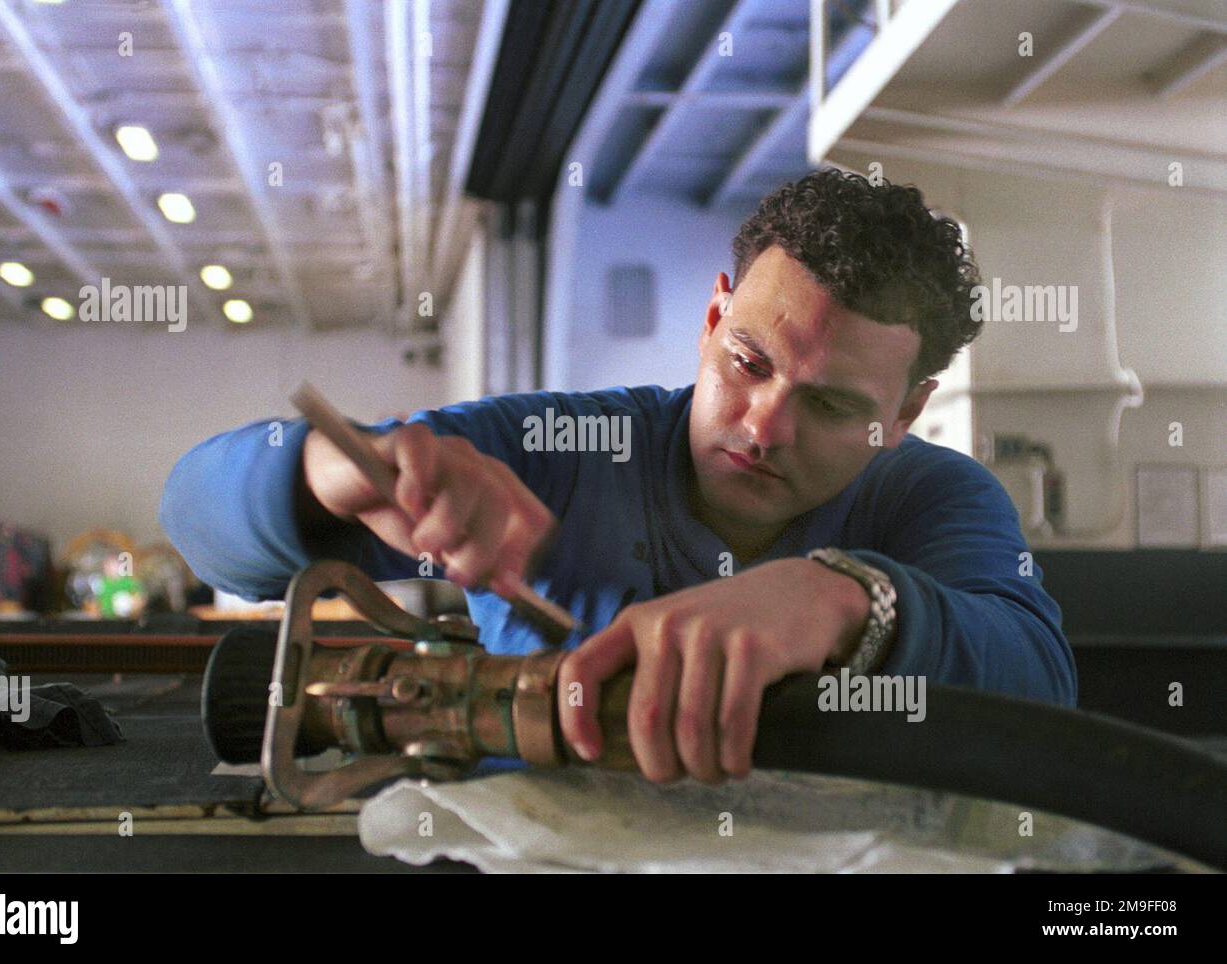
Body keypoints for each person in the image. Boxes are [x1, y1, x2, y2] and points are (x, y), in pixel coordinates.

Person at [160, 168, 1077, 788]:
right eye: (748, 362)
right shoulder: (564, 447)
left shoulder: (933, 499)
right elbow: (197, 522)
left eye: (833, 409)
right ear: (716, 315)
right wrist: (339, 471)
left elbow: (1043, 695)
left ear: (906, 412)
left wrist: (842, 601)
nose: (764, 428)